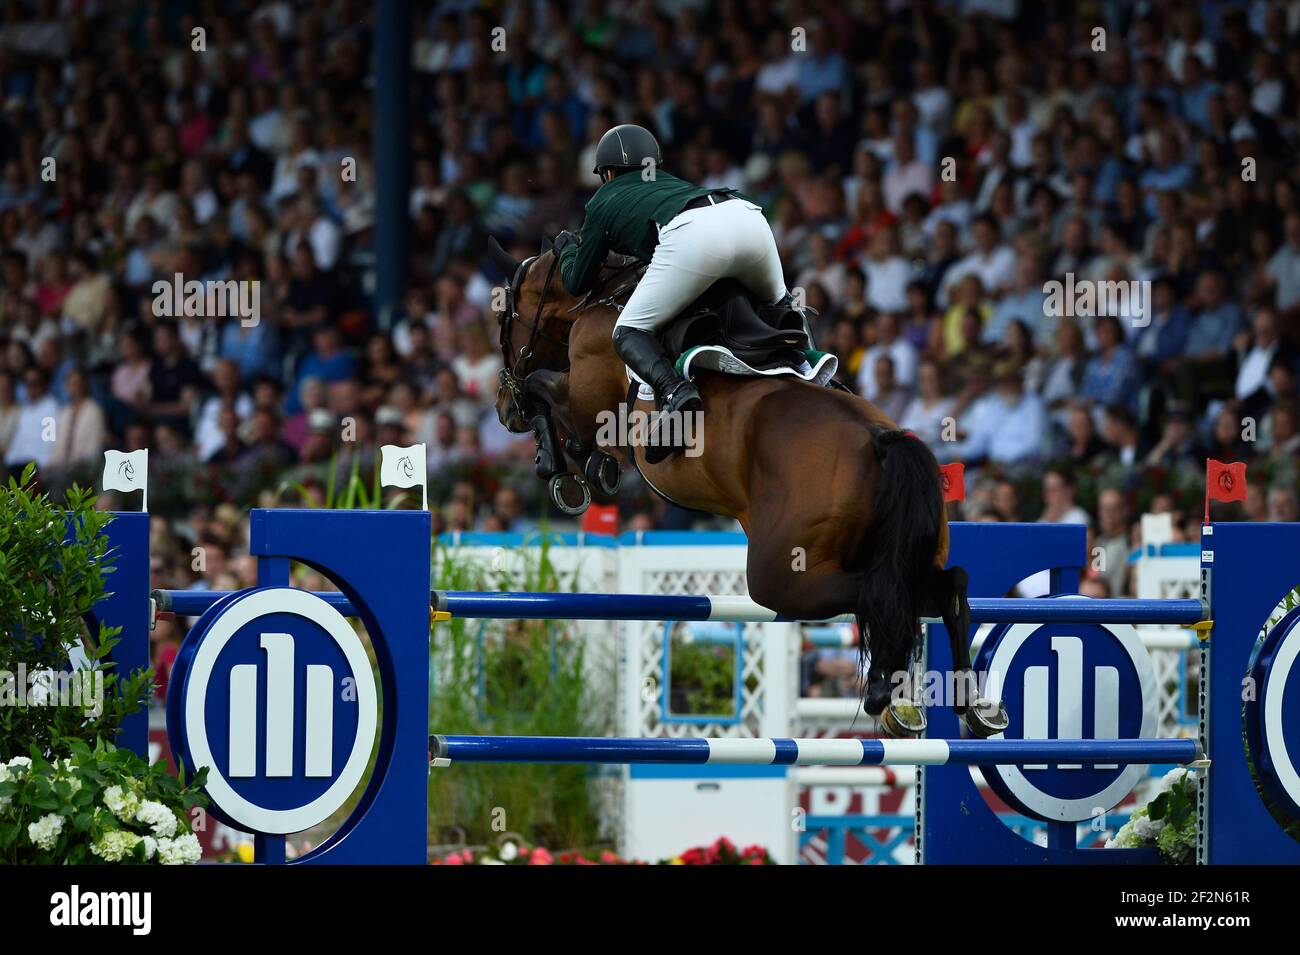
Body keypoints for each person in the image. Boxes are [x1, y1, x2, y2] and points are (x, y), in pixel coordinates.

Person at [555, 124, 800, 462]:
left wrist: (566, 248)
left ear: (608, 173)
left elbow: (576, 282)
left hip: (694, 236)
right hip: (746, 215)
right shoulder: (668, 181)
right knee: (783, 304)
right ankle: (816, 371)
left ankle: (675, 393)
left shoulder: (602, 200)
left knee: (626, 331)